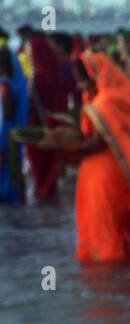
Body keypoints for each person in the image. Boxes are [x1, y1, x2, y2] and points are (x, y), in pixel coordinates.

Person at [39, 53, 130, 262]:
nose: (79, 85)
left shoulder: (106, 102)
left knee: (105, 225)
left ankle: (110, 278)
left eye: (82, 79)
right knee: (103, 224)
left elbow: (97, 143)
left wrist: (61, 146)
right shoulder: (116, 95)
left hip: (104, 174)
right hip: (100, 172)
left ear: (95, 75)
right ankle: (114, 278)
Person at [21, 33, 70, 200]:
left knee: (39, 174)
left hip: (36, 131)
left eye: (29, 52)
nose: (27, 56)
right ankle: (50, 207)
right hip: (53, 127)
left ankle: (43, 208)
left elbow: (33, 107)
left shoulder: (35, 77)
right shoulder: (54, 73)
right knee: (49, 173)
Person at [0, 42, 29, 203]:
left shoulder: (4, 86)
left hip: (4, 136)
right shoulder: (17, 83)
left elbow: (5, 116)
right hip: (12, 136)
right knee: (13, 172)